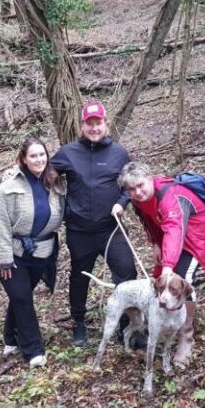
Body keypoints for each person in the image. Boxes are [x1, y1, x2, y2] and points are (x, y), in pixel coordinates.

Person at [50, 100, 140, 347]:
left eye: (98, 123)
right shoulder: (68, 153)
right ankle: (79, 323)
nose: (94, 128)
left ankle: (127, 328)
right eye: (89, 123)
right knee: (80, 277)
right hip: (79, 231)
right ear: (82, 126)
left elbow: (130, 185)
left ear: (105, 124)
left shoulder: (119, 153)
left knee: (127, 275)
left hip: (112, 229)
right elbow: (45, 174)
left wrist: (122, 202)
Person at [117, 161, 205, 366]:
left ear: (150, 178)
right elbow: (150, 222)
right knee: (158, 279)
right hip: (169, 237)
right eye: (132, 189)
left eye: (141, 185)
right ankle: (165, 320)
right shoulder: (139, 201)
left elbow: (175, 229)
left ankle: (186, 336)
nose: (137, 192)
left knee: (183, 278)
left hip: (196, 237)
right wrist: (156, 243)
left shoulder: (169, 195)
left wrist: (168, 266)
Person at [0, 136, 65, 367]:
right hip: (10, 253)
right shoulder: (8, 187)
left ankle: (10, 338)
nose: (39, 159)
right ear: (24, 159)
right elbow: (0, 223)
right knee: (22, 297)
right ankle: (33, 350)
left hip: (40, 253)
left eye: (42, 154)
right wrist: (4, 259)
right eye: (33, 155)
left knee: (20, 296)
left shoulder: (56, 183)